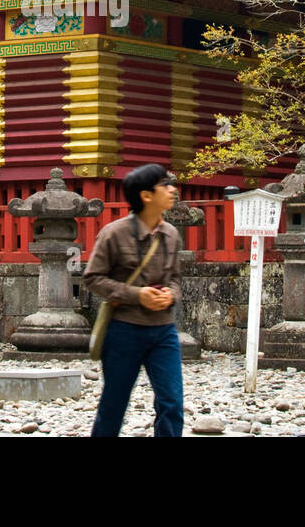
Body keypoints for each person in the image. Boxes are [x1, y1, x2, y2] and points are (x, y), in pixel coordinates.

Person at [84, 163, 184, 438]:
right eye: (166, 185)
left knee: (172, 403)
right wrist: (137, 295)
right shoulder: (113, 234)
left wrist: (170, 295)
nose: (173, 190)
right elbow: (93, 278)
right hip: (124, 330)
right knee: (114, 403)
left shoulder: (171, 234)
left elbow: (176, 279)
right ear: (146, 195)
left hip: (164, 330)